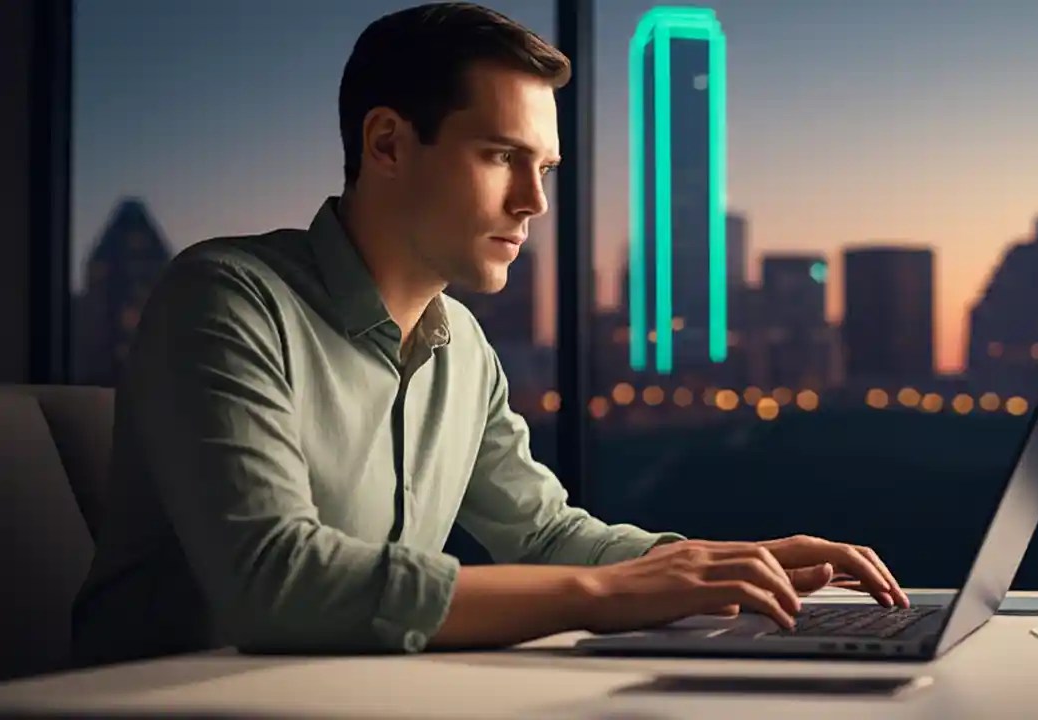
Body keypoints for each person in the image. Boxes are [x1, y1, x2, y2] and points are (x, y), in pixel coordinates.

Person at [71, 1, 907, 666]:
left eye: (541, 169)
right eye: (500, 157)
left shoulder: (461, 346)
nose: (533, 204)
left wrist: (711, 565)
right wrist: (604, 595)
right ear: (389, 143)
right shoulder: (226, 299)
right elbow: (277, 584)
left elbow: (544, 534)